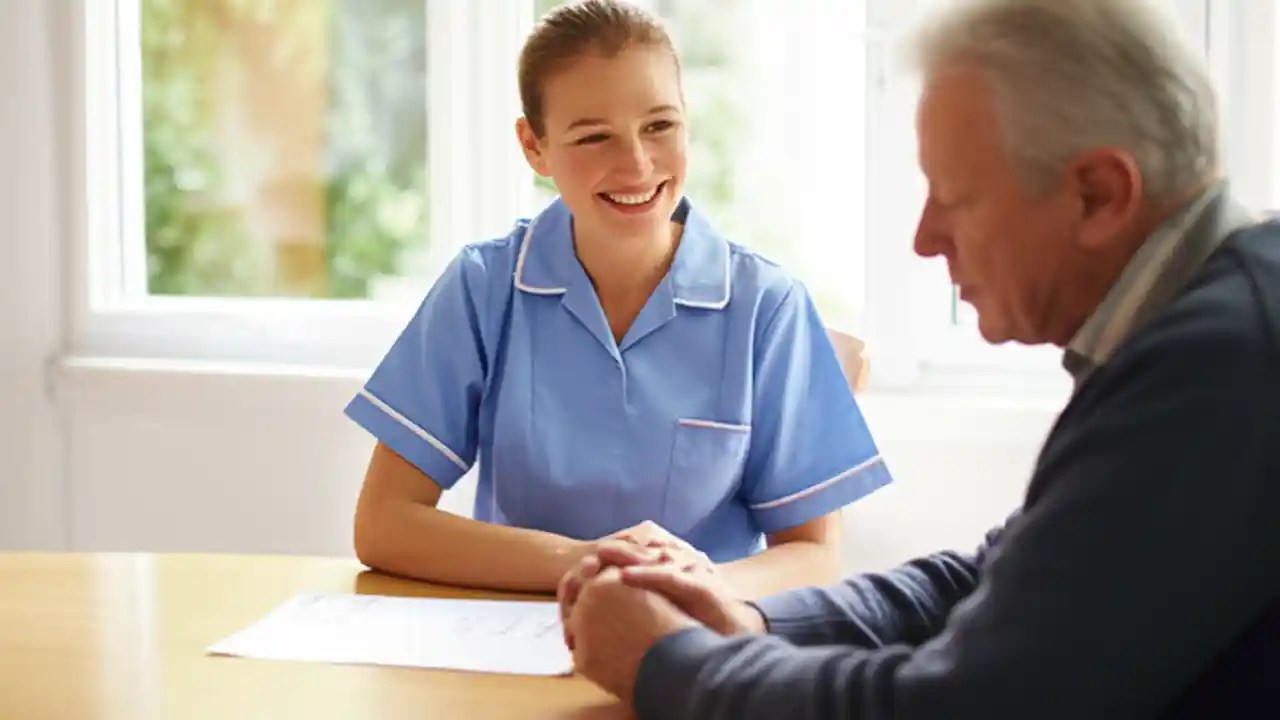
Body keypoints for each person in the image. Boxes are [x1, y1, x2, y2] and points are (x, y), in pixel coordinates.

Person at [559, 0, 1280, 716]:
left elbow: (967, 706)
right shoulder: (1204, 323)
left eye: (955, 198)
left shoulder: (1218, 370)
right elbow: (997, 577)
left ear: (1099, 194)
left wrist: (669, 663)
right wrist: (751, 623)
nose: (924, 238)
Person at [343, 0, 891, 595]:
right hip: (512, 639)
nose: (635, 163)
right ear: (535, 147)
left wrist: (693, 586)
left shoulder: (768, 307)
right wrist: (586, 565)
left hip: (698, 645)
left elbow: (811, 554)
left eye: (660, 126)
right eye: (593, 136)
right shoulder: (483, 288)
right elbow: (384, 525)